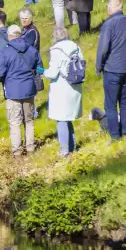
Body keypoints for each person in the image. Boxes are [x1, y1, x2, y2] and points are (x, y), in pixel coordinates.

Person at [0, 24, 40, 155]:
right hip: (29, 90)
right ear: (20, 35)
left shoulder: (6, 52)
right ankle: (30, 148)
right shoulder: (32, 50)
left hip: (12, 91)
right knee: (29, 121)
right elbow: (39, 68)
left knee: (15, 122)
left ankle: (17, 151)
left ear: (9, 36)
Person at [97, 0, 126, 140]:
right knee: (125, 103)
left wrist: (99, 66)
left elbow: (103, 49)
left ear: (111, 8)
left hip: (112, 69)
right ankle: (125, 132)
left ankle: (115, 136)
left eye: (107, 7)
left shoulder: (109, 24)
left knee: (110, 105)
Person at [44, 27, 85, 157]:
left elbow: (52, 73)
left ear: (55, 37)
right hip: (75, 85)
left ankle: (64, 150)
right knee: (69, 118)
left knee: (61, 119)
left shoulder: (55, 50)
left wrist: (43, 71)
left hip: (61, 89)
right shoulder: (76, 47)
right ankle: (72, 147)